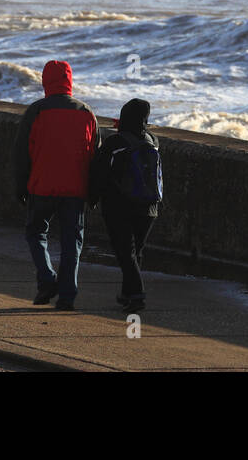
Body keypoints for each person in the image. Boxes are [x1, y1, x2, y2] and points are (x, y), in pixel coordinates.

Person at [12, 59, 98, 311]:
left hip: (42, 186)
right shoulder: (86, 113)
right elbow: (94, 155)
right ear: (69, 81)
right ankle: (67, 295)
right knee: (72, 242)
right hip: (75, 189)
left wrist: (21, 187)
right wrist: (92, 192)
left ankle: (47, 279)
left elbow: (22, 153)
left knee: (36, 233)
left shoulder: (36, 111)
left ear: (45, 81)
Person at [89, 98, 162, 312]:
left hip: (120, 206)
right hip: (149, 206)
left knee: (124, 252)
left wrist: (92, 197)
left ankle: (137, 295)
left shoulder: (115, 142)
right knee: (134, 251)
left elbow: (100, 172)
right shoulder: (153, 140)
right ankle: (127, 294)